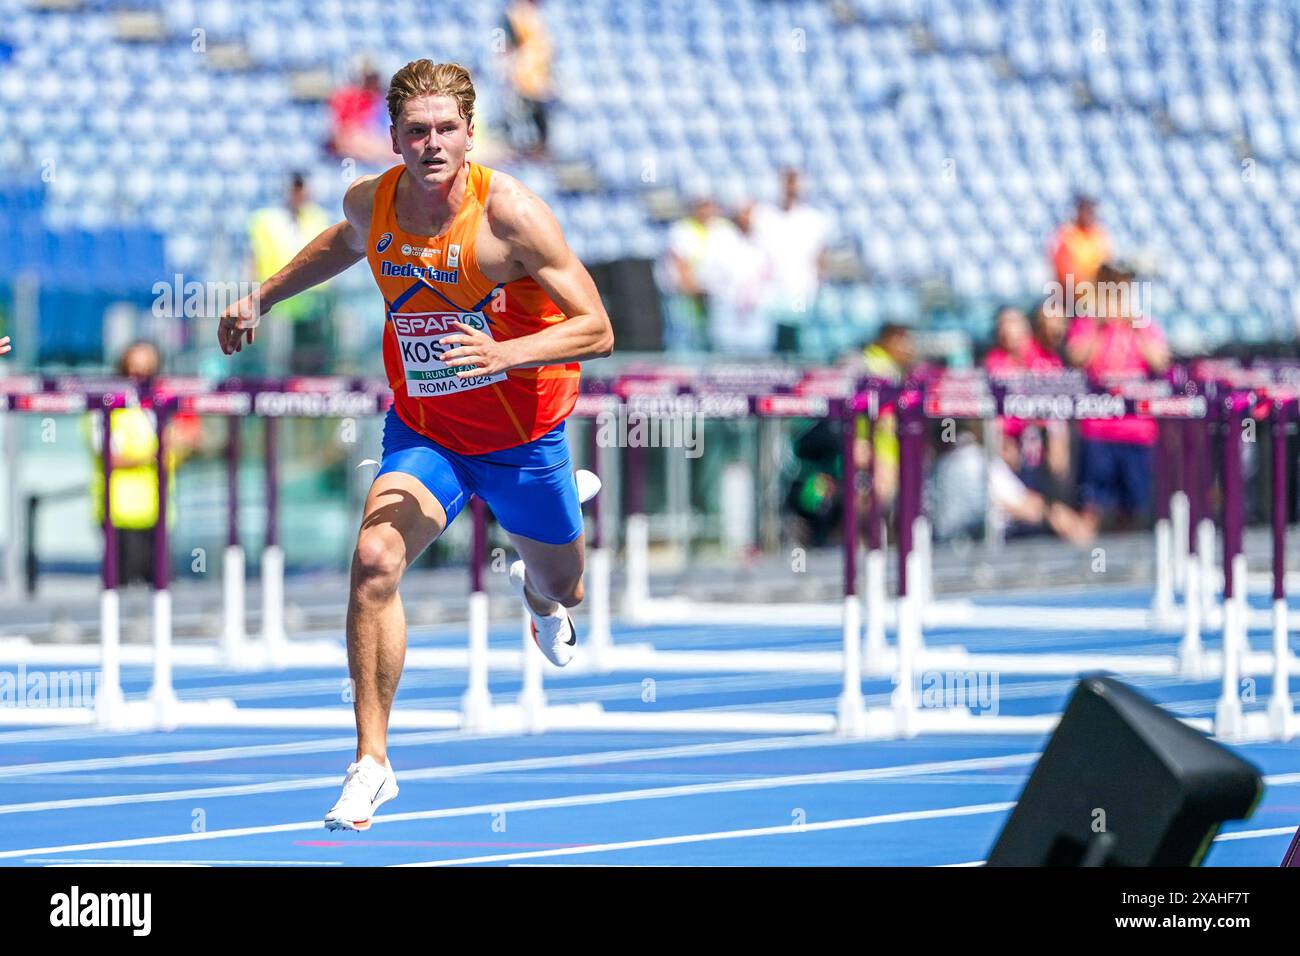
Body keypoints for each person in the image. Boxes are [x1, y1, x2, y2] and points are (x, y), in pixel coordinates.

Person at [217, 60, 614, 832]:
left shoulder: (514, 217)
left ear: (471, 133)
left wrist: (506, 355)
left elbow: (598, 327)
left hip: (522, 434)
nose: (432, 144)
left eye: (446, 130)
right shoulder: (376, 199)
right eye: (416, 131)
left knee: (567, 589)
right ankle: (372, 762)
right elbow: (344, 243)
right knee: (373, 561)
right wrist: (261, 296)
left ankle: (536, 589)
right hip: (428, 431)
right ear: (393, 136)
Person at [83, 341, 199, 587]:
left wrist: (183, 443)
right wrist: (159, 450)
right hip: (119, 513)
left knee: (161, 589)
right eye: (133, 372)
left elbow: (186, 441)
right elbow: (112, 457)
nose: (140, 380)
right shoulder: (103, 408)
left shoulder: (157, 407)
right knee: (119, 589)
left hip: (158, 511)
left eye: (148, 373)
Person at [1066, 261, 1170, 533]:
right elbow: (1077, 358)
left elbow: (1160, 362)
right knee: (1091, 506)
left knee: (1131, 509)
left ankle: (1122, 569)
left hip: (1136, 429)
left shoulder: (1143, 324)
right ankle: (1089, 566)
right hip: (1098, 428)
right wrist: (1100, 325)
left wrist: (1135, 326)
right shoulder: (1088, 323)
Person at [246, 173, 333, 373]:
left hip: (312, 301)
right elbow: (254, 258)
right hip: (278, 300)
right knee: (277, 356)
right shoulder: (265, 220)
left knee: (311, 355)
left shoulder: (316, 217)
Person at [752, 168, 830, 354]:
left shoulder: (813, 219)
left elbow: (819, 256)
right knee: (772, 329)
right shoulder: (764, 216)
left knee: (796, 326)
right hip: (771, 287)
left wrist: (818, 281)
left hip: (801, 287)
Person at [503, 0, 554, 155]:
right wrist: (507, 68)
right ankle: (521, 149)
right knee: (520, 115)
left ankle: (538, 149)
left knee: (539, 117)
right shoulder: (513, 15)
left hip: (537, 78)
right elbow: (502, 45)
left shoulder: (537, 15)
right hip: (522, 76)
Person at [1049, 194, 1110, 312]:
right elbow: (1066, 273)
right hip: (1072, 298)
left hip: (1097, 296)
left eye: (1091, 211)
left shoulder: (1099, 235)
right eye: (1086, 210)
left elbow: (1106, 265)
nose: (1089, 215)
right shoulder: (1067, 235)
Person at [328, 62, 392, 168]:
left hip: (376, 149)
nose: (372, 84)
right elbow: (341, 136)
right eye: (368, 79)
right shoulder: (346, 97)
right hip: (351, 150)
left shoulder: (381, 101)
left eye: (374, 79)